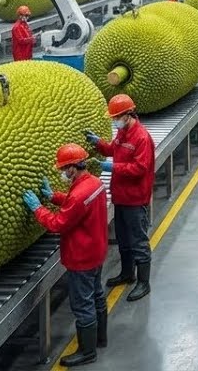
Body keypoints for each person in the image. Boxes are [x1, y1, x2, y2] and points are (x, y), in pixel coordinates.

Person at [23, 144, 109, 366]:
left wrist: (37, 209)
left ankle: (87, 351)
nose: (61, 172)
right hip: (96, 250)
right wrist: (53, 197)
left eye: (63, 168)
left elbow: (58, 224)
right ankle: (100, 338)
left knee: (82, 304)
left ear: (72, 168)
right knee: (97, 295)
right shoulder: (94, 183)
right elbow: (75, 204)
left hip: (81, 257)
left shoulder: (79, 193)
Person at [85, 94, 154, 303]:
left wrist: (111, 166)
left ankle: (144, 282)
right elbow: (113, 149)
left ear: (128, 114)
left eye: (116, 117)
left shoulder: (141, 137)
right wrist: (98, 143)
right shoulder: (122, 132)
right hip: (121, 196)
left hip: (135, 198)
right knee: (123, 238)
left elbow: (140, 168)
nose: (114, 120)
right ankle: (127, 273)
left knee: (138, 241)